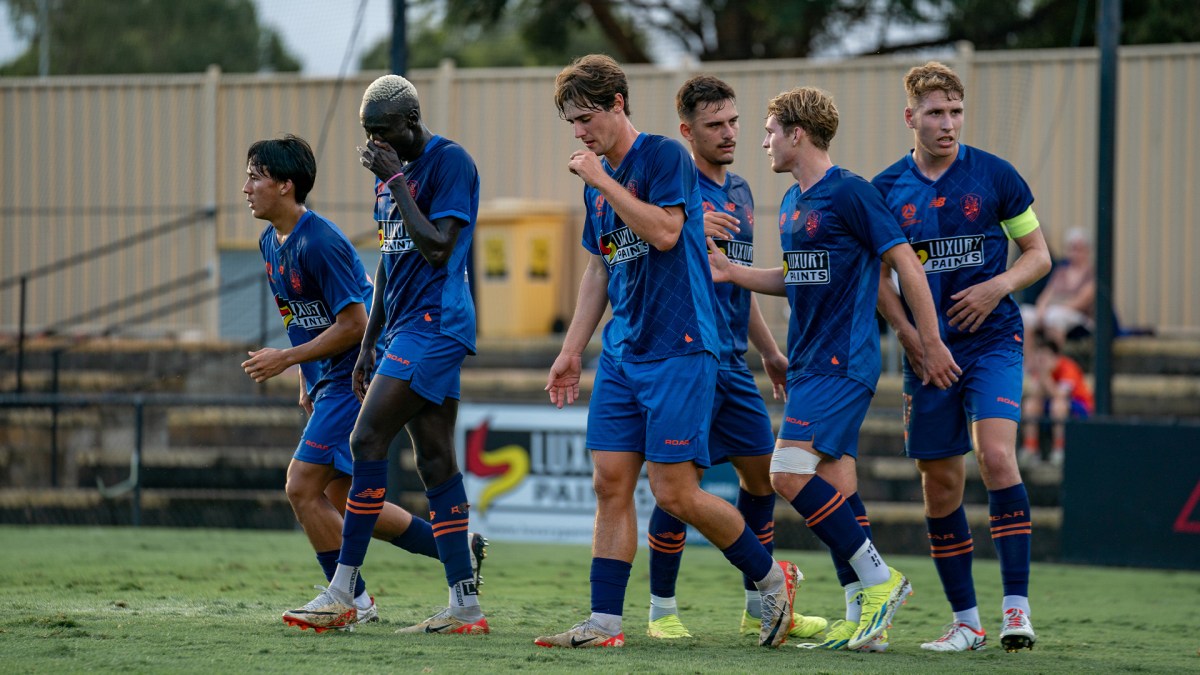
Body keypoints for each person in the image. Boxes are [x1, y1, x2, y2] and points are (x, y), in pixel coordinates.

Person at [536, 54, 799, 650]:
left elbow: (665, 232)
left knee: (676, 492)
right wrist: (572, 350)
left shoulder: (661, 156)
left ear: (617, 105)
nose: (579, 133)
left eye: (585, 119)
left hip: (681, 348)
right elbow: (600, 269)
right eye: (572, 123)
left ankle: (770, 582)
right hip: (624, 352)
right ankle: (605, 621)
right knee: (609, 482)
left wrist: (601, 179)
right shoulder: (597, 185)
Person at [708, 85, 957, 652]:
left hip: (843, 362)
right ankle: (862, 623)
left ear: (797, 134)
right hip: (809, 363)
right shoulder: (795, 201)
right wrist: (733, 273)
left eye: (770, 130)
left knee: (786, 474)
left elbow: (905, 269)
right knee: (838, 486)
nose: (763, 141)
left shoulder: (852, 193)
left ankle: (881, 580)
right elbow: (796, 277)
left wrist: (929, 340)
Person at [242, 135, 485, 632]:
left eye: (254, 176)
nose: (245, 187)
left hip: (358, 377)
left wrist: (288, 359)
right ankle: (459, 552)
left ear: (286, 185)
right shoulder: (271, 242)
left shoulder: (320, 241)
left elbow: (353, 323)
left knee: (301, 486)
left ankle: (349, 598)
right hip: (328, 380)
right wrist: (304, 378)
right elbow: (305, 319)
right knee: (345, 499)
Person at [873, 61, 1053, 653]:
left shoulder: (995, 175)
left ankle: (1016, 611)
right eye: (935, 113)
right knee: (941, 487)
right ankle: (967, 623)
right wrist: (910, 336)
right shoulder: (885, 191)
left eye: (955, 112)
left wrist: (999, 286)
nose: (948, 124)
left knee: (998, 456)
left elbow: (1037, 254)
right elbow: (875, 277)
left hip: (993, 340)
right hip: (928, 355)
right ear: (911, 118)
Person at [642, 74, 827, 643]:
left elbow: (735, 282)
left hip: (733, 362)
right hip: (686, 357)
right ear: (686, 131)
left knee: (761, 477)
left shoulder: (743, 191)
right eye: (713, 125)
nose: (728, 134)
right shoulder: (675, 190)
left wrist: (770, 350)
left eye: (733, 122)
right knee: (682, 485)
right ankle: (661, 610)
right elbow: (649, 264)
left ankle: (756, 604)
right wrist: (688, 227)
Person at [1020, 329, 1093, 467]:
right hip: (1052, 405)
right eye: (1039, 357)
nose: (1042, 361)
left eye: (1045, 357)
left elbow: (1060, 394)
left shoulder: (1067, 367)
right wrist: (1042, 375)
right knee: (1031, 404)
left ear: (1055, 357)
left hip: (1079, 407)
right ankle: (1030, 448)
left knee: (1058, 404)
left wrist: (1045, 375)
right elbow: (1035, 394)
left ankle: (1059, 450)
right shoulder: (1041, 371)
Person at [1021, 227, 1095, 346]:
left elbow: (1080, 302)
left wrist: (1050, 310)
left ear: (1087, 250)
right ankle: (1029, 362)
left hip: (1081, 318)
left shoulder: (1092, 274)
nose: (1075, 253)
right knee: (1025, 314)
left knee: (1054, 316)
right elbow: (1046, 294)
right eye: (1072, 248)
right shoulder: (1061, 271)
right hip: (1053, 312)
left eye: (1079, 249)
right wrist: (1041, 309)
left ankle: (1054, 361)